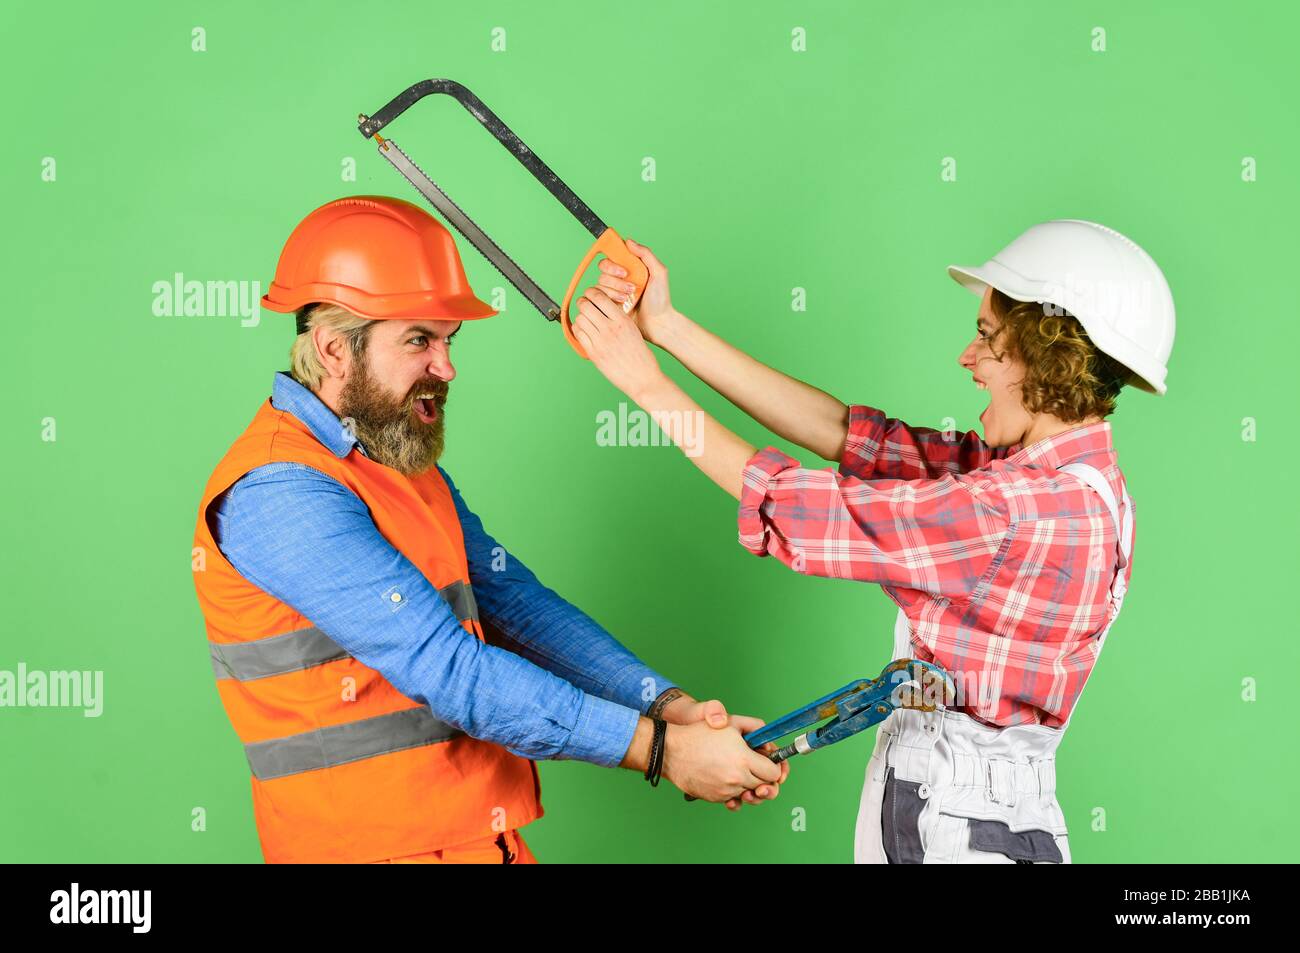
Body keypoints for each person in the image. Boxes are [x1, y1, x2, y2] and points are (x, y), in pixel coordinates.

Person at [190, 195, 785, 865]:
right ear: (333, 348)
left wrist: (667, 707)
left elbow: (515, 605)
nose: (446, 367)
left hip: (477, 841)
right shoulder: (281, 490)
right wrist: (661, 751)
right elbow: (452, 672)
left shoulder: (395, 460)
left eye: (449, 340)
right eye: (419, 339)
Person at [573, 219, 1175, 863]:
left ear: (1047, 351)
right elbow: (851, 437)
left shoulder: (1023, 510)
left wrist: (645, 386)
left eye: (986, 337)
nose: (966, 359)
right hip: (1001, 818)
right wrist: (666, 328)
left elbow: (800, 513)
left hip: (954, 823)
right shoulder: (1072, 484)